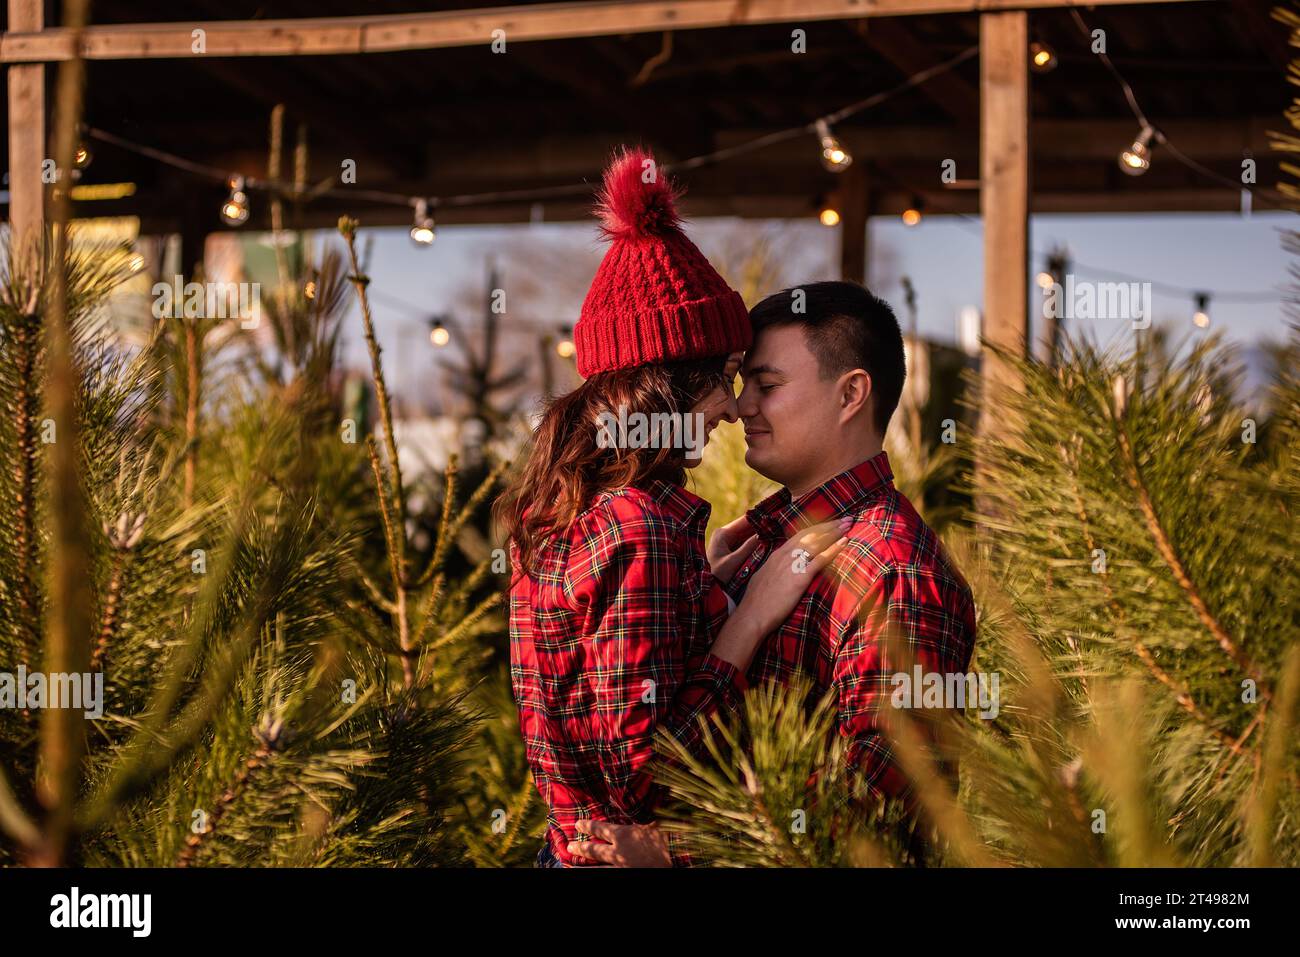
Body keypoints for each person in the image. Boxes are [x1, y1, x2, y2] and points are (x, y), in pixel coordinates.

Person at [496, 149, 846, 868]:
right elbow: (642, 779)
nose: (733, 408)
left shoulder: (573, 509)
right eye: (724, 379)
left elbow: (592, 692)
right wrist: (748, 620)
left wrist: (699, 583)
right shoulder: (640, 532)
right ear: (667, 387)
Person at [567, 281, 977, 866]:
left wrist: (676, 850)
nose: (741, 408)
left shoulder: (893, 572)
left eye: (768, 385)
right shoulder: (761, 547)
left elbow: (882, 810)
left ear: (851, 394)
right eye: (743, 385)